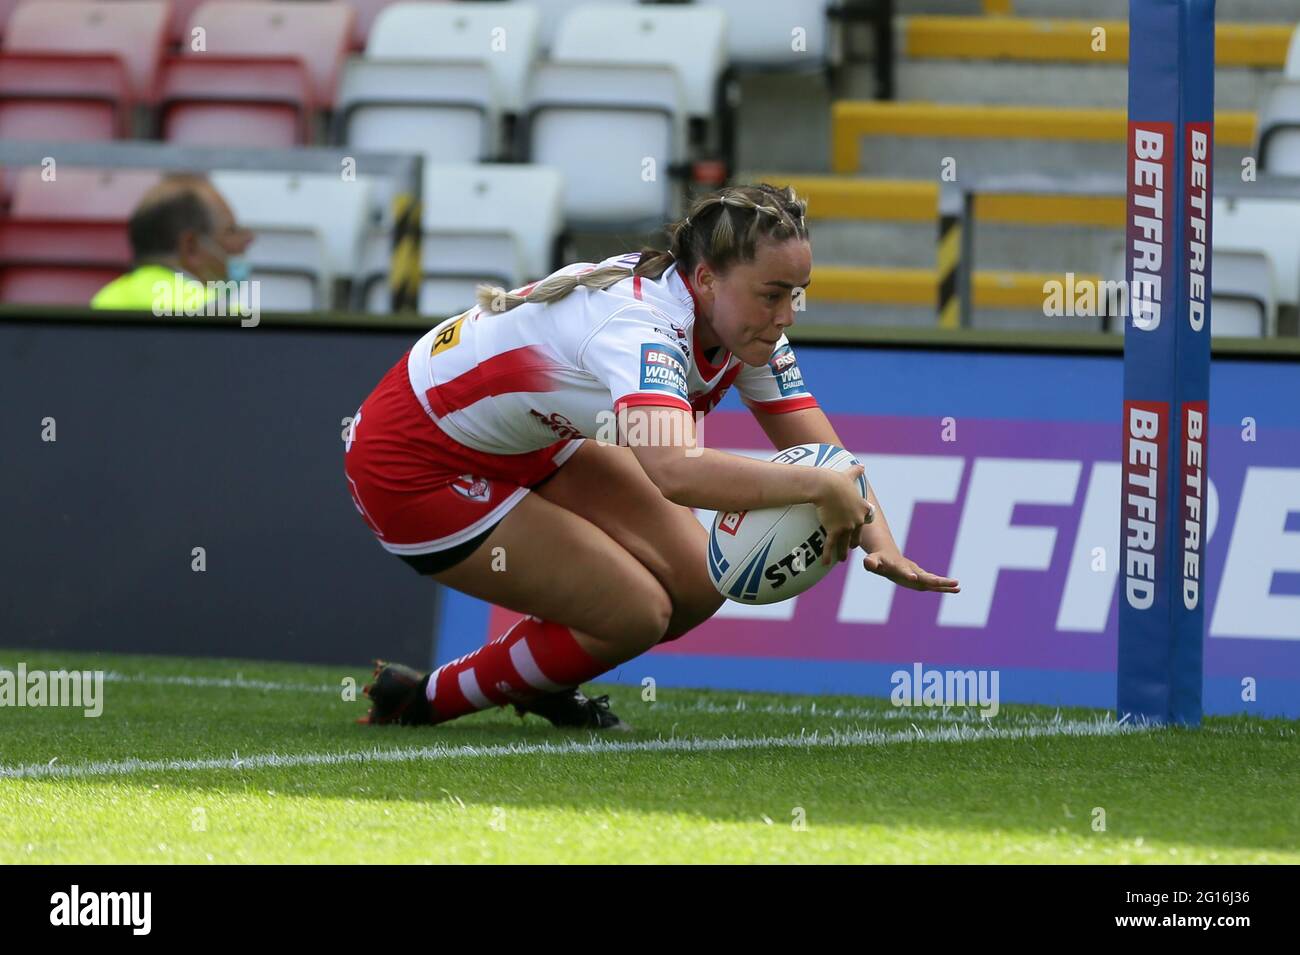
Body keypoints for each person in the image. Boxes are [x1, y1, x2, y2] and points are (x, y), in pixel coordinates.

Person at [345, 183, 959, 730]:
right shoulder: (640, 327)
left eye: (797, 295)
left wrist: (884, 546)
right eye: (772, 295)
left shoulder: (740, 324)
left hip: (527, 437)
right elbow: (676, 470)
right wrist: (814, 489)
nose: (786, 316)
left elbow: (824, 454)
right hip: (414, 462)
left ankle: (538, 678)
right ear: (708, 278)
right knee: (636, 613)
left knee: (700, 582)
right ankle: (426, 699)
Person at [91, 174, 253, 312]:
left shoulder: (104, 300)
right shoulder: (221, 313)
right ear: (191, 247)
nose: (247, 240)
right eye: (230, 231)